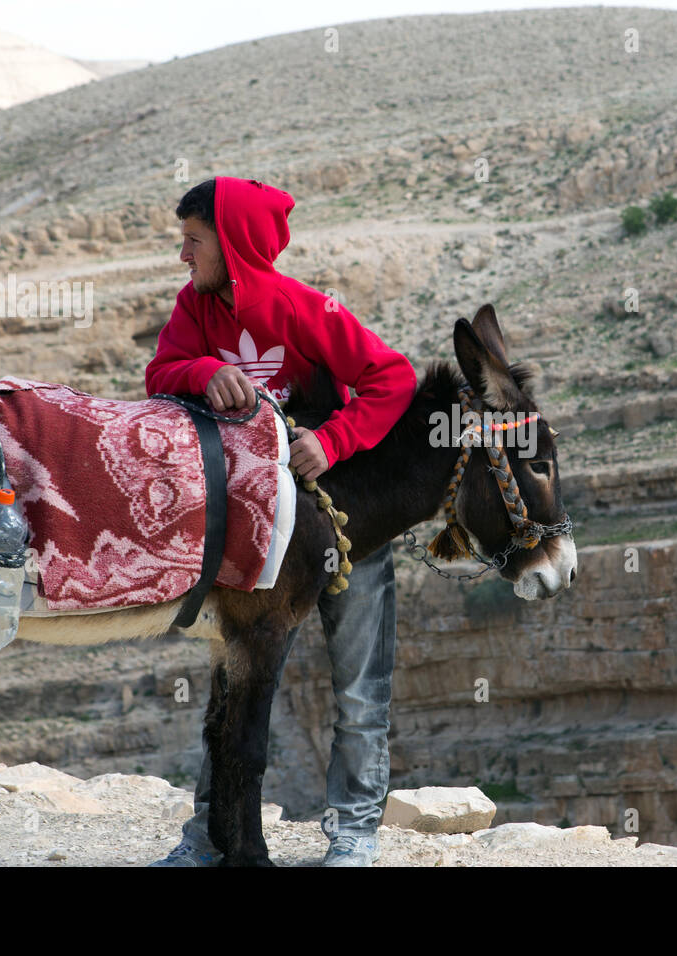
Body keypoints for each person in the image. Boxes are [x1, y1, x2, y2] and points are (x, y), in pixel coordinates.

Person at [145, 176, 416, 866]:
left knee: (359, 688)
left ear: (231, 244)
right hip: (260, 533)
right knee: (238, 680)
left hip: (345, 528)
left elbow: (394, 378)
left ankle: (353, 834)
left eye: (194, 241)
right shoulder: (195, 306)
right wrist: (203, 369)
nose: (184, 255)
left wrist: (334, 440)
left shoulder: (305, 309)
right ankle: (210, 835)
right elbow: (160, 372)